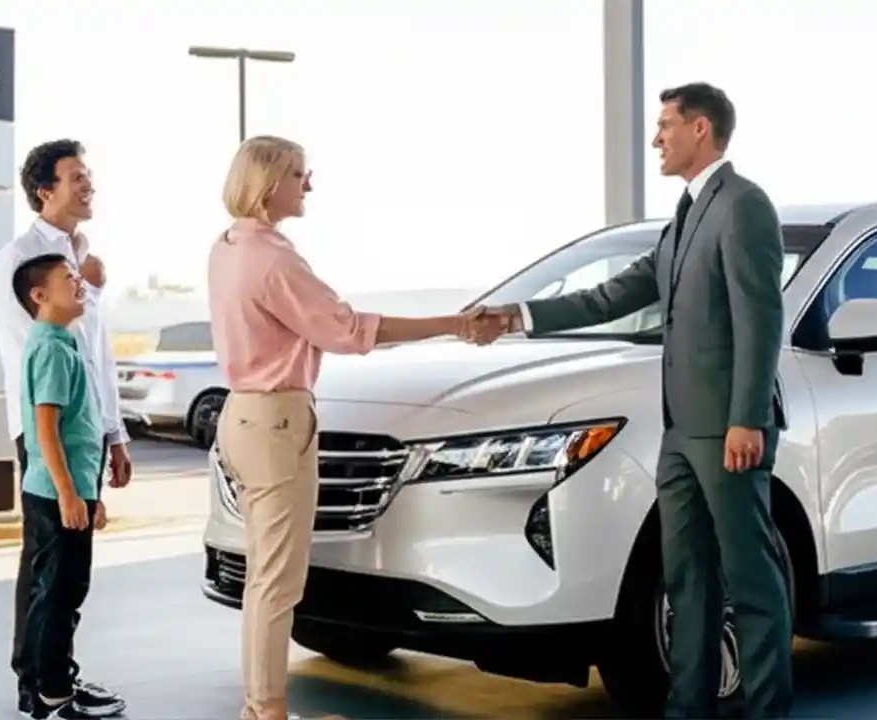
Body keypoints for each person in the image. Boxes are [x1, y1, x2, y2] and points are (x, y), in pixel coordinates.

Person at [468, 82, 793, 717]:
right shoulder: (686, 215)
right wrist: (517, 315)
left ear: (701, 129)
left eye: (666, 125)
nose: (656, 138)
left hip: (727, 429)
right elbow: (611, 296)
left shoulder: (744, 205)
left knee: (752, 581)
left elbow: (761, 317)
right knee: (687, 579)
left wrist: (747, 419)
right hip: (680, 433)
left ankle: (767, 711)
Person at [209, 135, 476, 720]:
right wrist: (452, 323)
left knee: (264, 577)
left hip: (242, 415)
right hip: (277, 420)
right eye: (300, 174)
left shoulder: (227, 247)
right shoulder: (273, 258)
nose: (309, 184)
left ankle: (260, 708)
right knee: (279, 584)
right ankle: (269, 711)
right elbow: (348, 329)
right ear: (269, 183)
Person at [0, 139, 129, 717]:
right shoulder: (21, 262)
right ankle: (41, 687)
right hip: (47, 432)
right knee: (48, 568)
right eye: (77, 176)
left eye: (88, 174)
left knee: (67, 571)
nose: (88, 183)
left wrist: (114, 435)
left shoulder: (81, 258)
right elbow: (43, 351)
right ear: (45, 190)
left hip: (86, 432)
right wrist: (88, 289)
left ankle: (56, 678)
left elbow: (99, 353)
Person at [12, 253, 113, 719]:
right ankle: (52, 693)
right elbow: (46, 429)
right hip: (57, 494)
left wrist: (91, 496)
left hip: (69, 489)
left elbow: (81, 429)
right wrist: (70, 494)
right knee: (58, 592)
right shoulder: (52, 348)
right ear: (39, 295)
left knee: (61, 590)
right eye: (68, 278)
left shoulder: (63, 343)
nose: (79, 282)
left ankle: (51, 683)